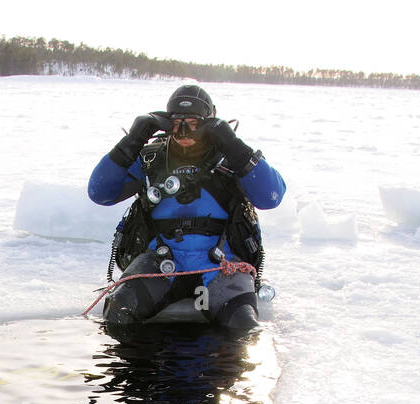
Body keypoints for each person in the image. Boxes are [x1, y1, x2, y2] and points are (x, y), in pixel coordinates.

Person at [88, 85, 286, 329]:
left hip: (222, 263)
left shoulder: (233, 159)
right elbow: (100, 193)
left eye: (193, 123)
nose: (183, 131)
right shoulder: (151, 158)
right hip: (162, 260)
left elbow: (271, 196)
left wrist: (233, 144)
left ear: (210, 120)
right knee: (118, 314)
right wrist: (132, 141)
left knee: (243, 325)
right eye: (177, 122)